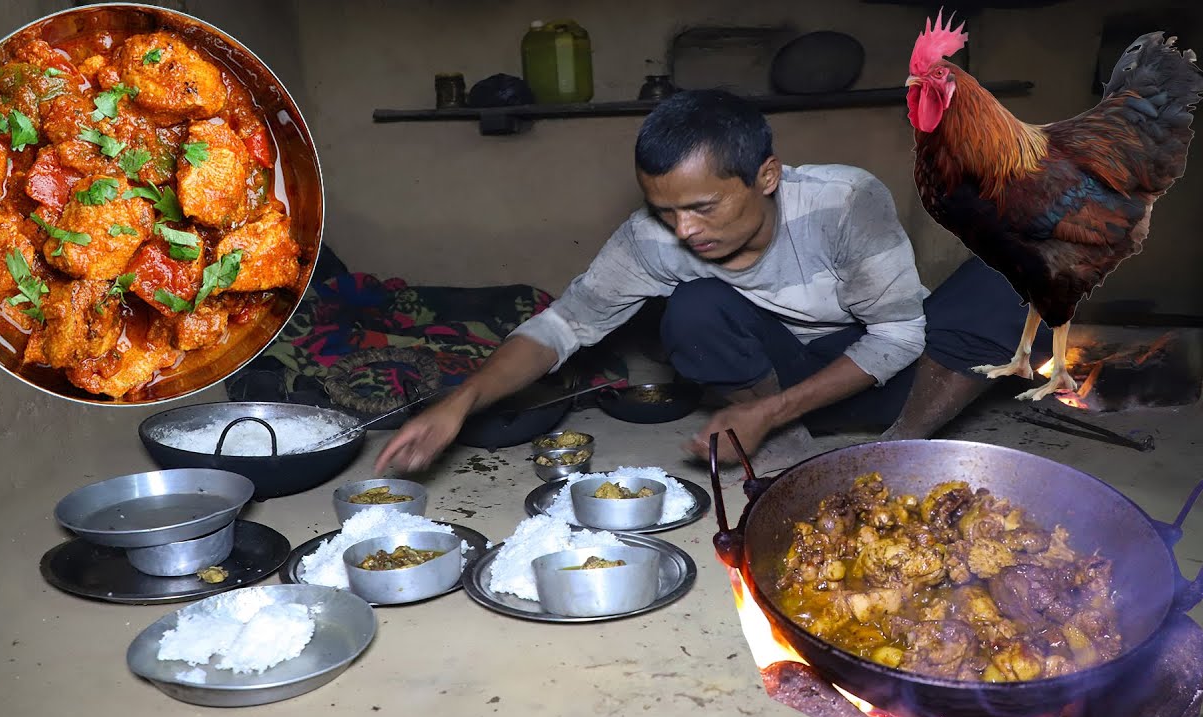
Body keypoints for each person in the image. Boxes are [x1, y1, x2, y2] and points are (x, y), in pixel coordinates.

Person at [373, 88, 1046, 474]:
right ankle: (780, 447)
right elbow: (562, 325)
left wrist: (769, 410)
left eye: (702, 207)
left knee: (1013, 270)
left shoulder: (843, 202)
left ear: (766, 176)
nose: (684, 230)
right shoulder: (652, 236)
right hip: (779, 384)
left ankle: (899, 449)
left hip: (892, 378)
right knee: (694, 306)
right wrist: (461, 401)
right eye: (666, 210)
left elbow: (897, 336)